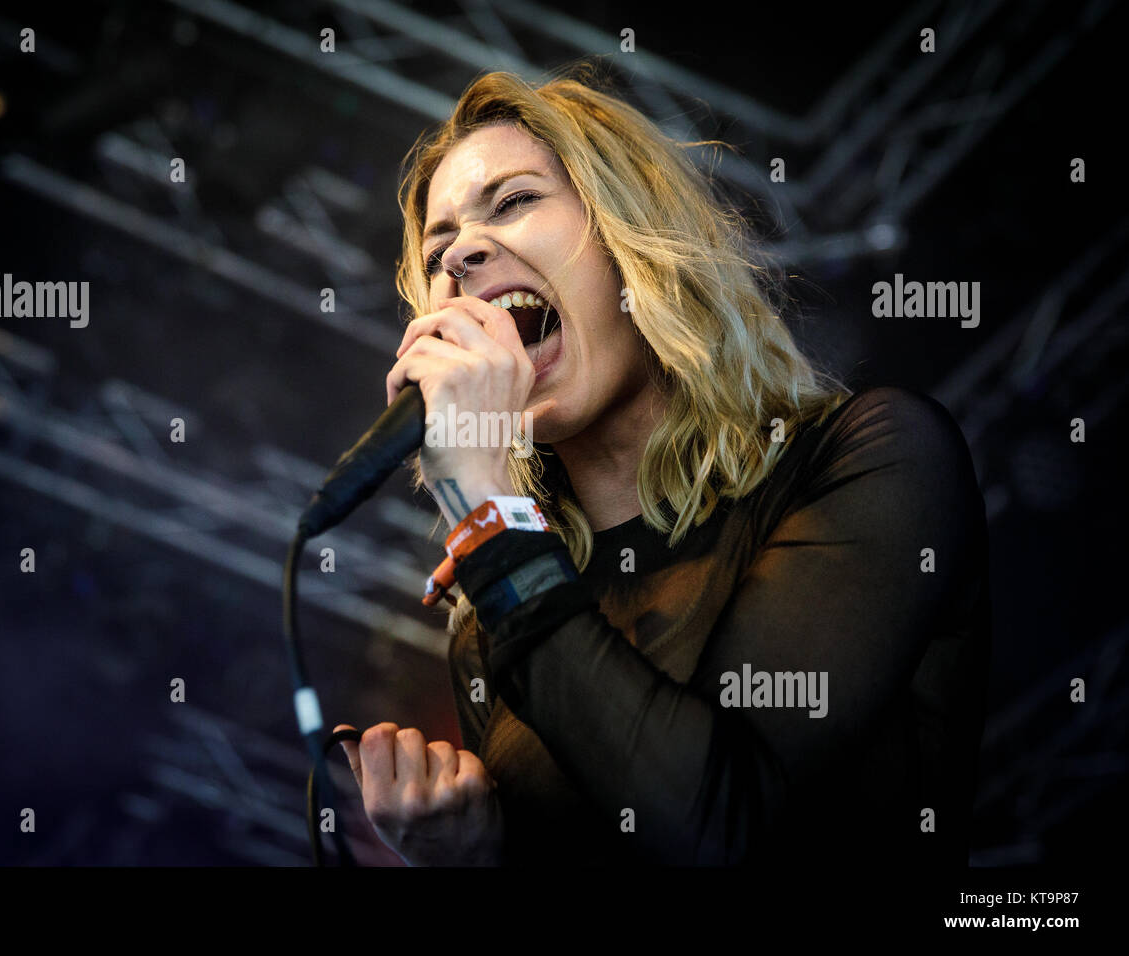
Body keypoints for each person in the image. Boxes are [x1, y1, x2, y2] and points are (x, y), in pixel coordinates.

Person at [337, 66, 991, 866]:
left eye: (512, 202)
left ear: (629, 243)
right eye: (438, 253)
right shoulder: (492, 624)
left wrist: (489, 516)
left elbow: (721, 829)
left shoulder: (874, 458)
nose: (462, 255)